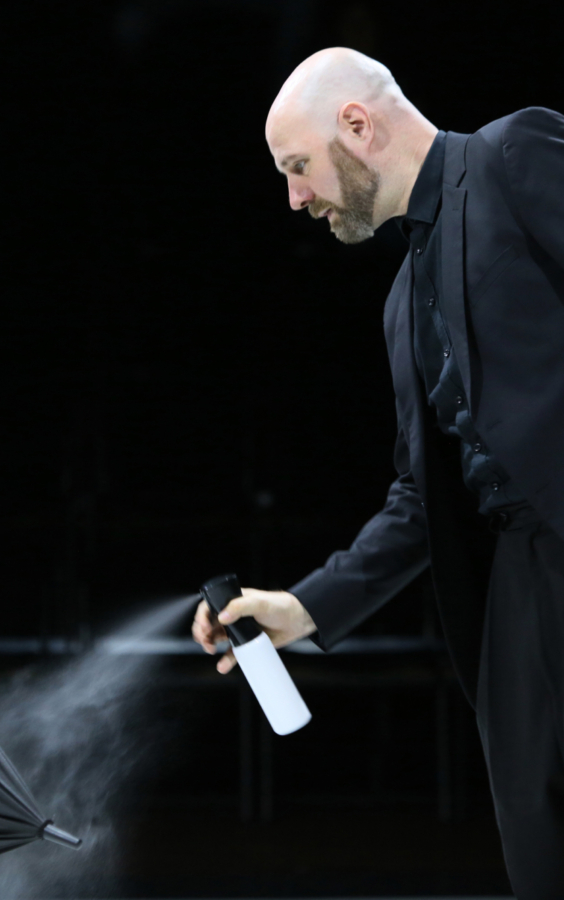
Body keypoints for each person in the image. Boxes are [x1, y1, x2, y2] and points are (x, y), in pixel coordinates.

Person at [192, 47, 564, 898]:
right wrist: (304, 607)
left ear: (356, 127)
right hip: (515, 598)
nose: (295, 198)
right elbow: (419, 498)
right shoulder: (402, 304)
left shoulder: (513, 155)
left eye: (297, 167)